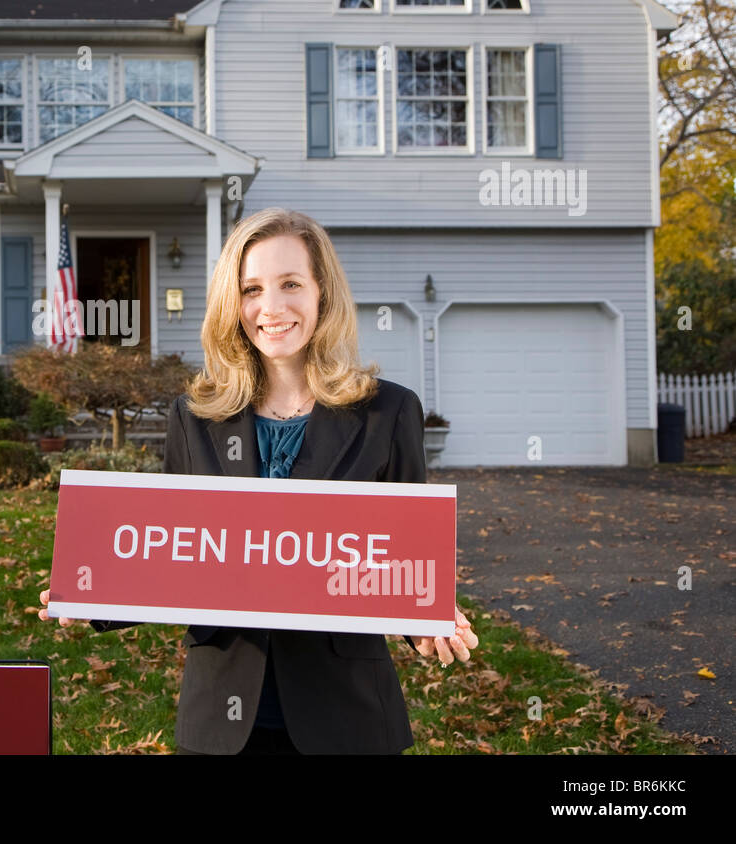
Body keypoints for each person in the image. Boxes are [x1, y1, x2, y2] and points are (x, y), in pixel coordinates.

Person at [37, 208, 479, 754]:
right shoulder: (194, 416)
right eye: (252, 289)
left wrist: (426, 621)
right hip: (221, 720)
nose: (271, 308)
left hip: (346, 718)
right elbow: (174, 556)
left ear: (323, 293)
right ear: (233, 302)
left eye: (291, 283)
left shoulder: (387, 414)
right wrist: (92, 596)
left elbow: (404, 564)